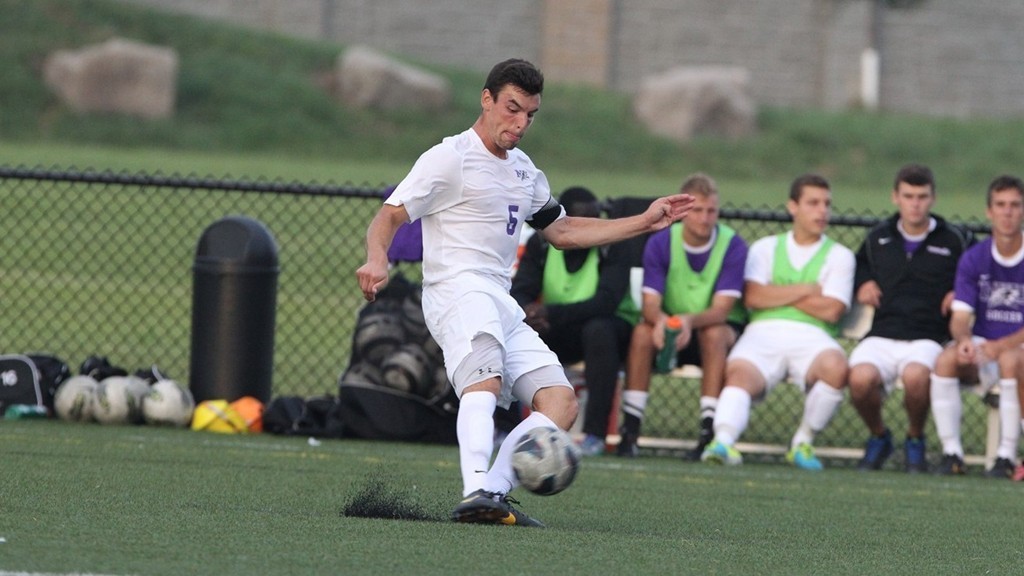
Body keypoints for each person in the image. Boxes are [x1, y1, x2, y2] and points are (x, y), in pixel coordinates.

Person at [355, 58, 693, 527]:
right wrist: (378, 258)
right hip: (456, 288)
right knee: (485, 382)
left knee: (561, 403)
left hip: (498, 297)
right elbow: (389, 215)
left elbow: (563, 230)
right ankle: (476, 485)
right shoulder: (449, 157)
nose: (520, 123)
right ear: (487, 99)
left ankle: (490, 494)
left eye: (530, 115)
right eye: (512, 109)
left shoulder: (523, 170)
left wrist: (643, 222)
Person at [700, 173, 855, 471]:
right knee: (739, 375)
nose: (822, 211)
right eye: (813, 203)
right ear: (793, 207)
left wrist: (777, 293)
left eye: (826, 204)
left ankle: (802, 442)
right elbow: (754, 297)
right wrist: (808, 289)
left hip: (814, 336)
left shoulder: (840, 255)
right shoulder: (765, 248)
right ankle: (722, 442)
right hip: (763, 332)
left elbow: (832, 311)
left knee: (836, 367)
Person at [847, 164, 974, 473]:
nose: (915, 203)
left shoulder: (955, 239)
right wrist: (862, 282)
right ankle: (880, 436)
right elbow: (856, 266)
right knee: (860, 379)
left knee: (917, 377)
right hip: (881, 333)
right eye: (908, 196)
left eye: (922, 196)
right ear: (895, 197)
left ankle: (915, 438)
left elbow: (976, 269)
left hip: (927, 338)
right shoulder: (878, 238)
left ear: (933, 198)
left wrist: (960, 290)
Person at [616, 173, 748, 460]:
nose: (705, 218)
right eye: (697, 210)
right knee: (641, 333)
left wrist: (687, 321)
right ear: (683, 213)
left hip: (713, 331)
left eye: (711, 211)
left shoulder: (733, 245)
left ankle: (707, 432)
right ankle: (631, 431)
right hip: (671, 325)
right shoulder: (661, 242)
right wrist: (664, 322)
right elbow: (650, 304)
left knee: (714, 334)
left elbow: (722, 310)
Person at [509, 185, 638, 457]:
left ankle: (595, 435)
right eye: (578, 221)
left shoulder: (611, 246)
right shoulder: (542, 244)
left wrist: (549, 313)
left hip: (608, 331)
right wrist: (530, 313)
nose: (586, 227)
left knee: (599, 331)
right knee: (514, 329)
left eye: (593, 219)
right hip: (558, 327)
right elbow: (520, 291)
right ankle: (505, 428)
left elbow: (606, 302)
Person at [930, 175, 1024, 478]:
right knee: (947, 359)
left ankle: (1006, 456)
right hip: (986, 347)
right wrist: (965, 340)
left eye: (1014, 205)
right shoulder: (974, 258)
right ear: (989, 211)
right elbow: (960, 317)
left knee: (1011, 360)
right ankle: (952, 454)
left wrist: (1002, 346)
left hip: (1017, 351)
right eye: (1000, 205)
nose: (1007, 212)